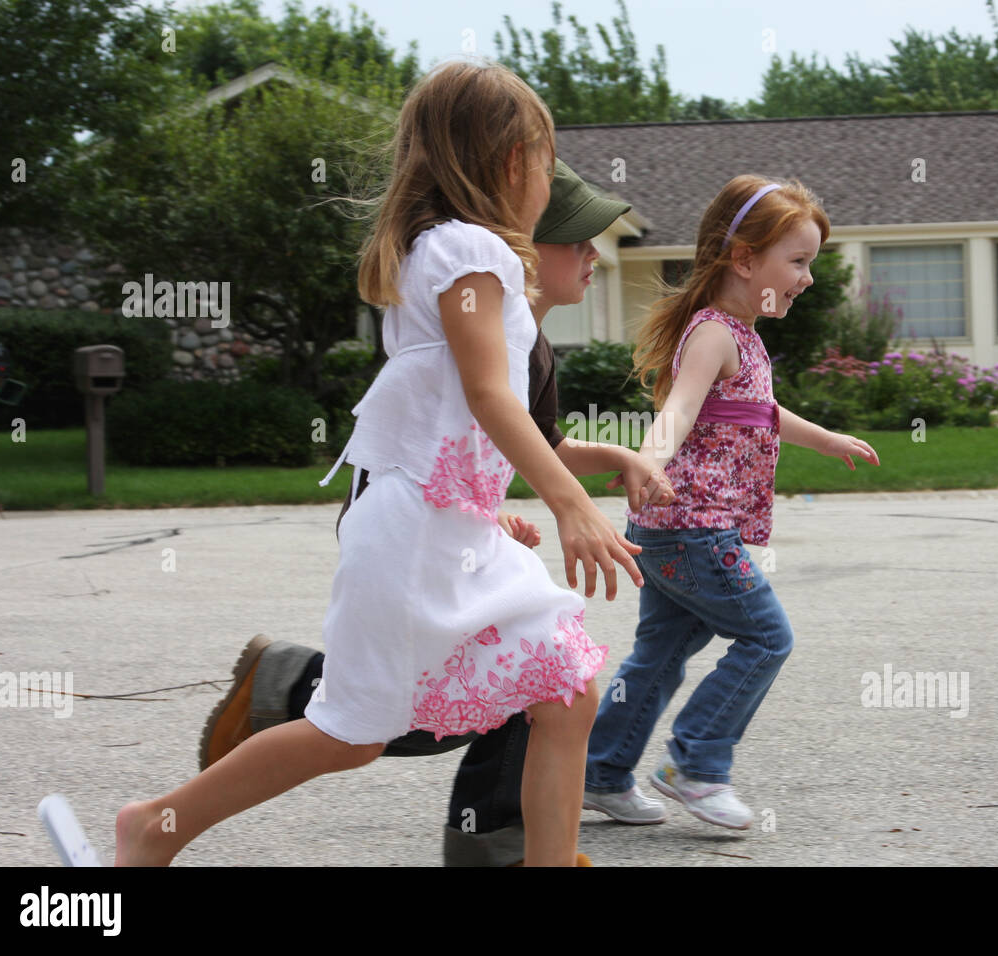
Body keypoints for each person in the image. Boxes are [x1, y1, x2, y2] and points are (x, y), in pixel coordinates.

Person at [115, 59, 648, 867]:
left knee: (564, 691)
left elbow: (439, 416)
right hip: (413, 542)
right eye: (545, 157)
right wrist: (571, 501)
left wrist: (485, 503)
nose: (549, 178)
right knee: (350, 734)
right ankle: (154, 823)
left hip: (444, 527)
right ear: (511, 162)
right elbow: (484, 396)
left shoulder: (451, 251)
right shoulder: (472, 251)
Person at [582, 175, 881, 830]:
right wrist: (647, 462)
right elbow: (680, 409)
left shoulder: (742, 335)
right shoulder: (713, 334)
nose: (806, 278)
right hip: (692, 528)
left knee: (660, 655)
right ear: (744, 260)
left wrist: (826, 439)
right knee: (767, 636)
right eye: (797, 262)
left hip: (670, 528)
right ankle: (696, 763)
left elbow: (760, 410)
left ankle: (601, 773)